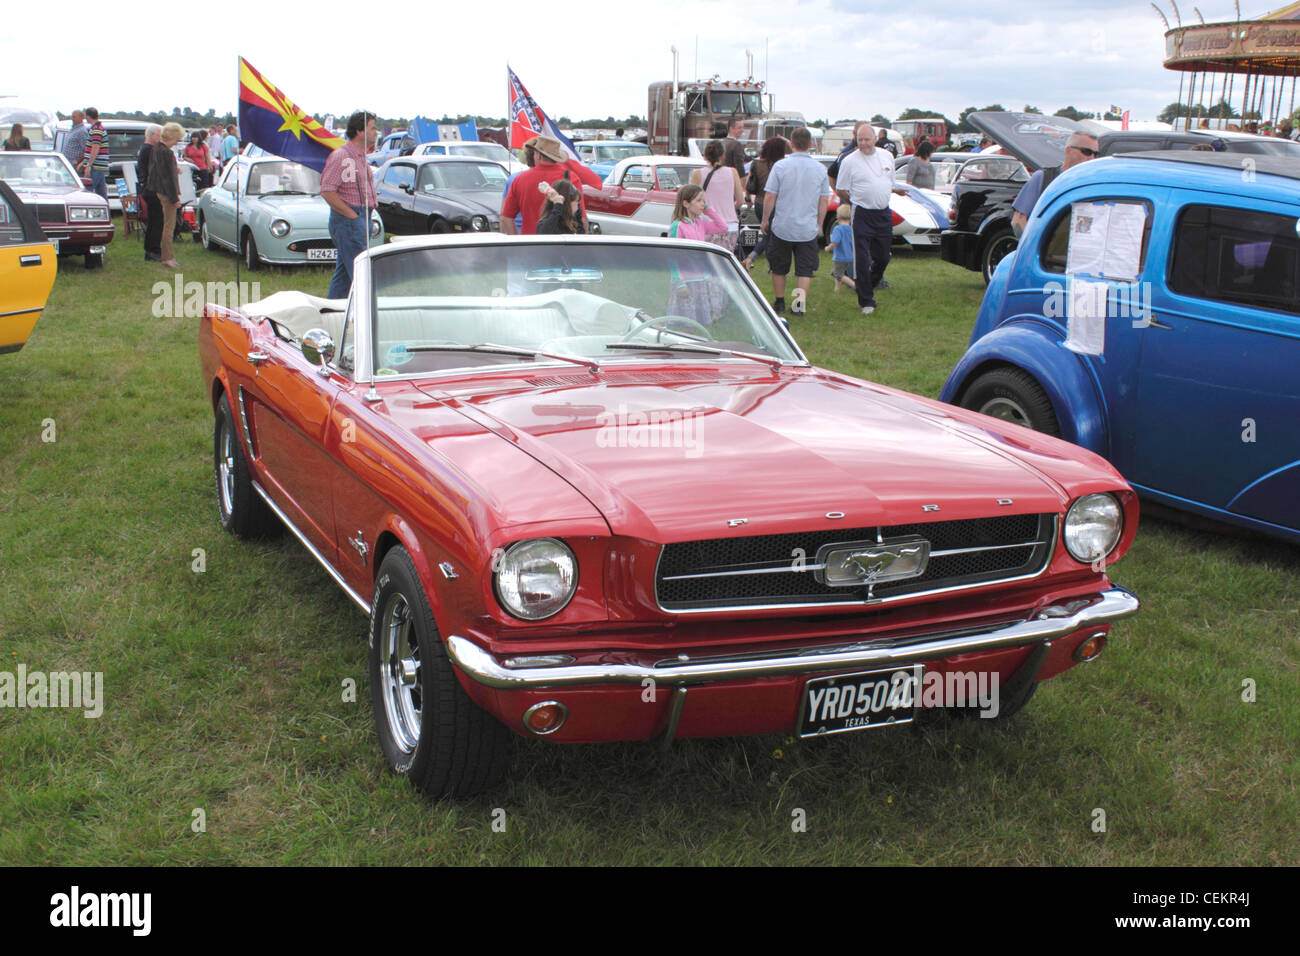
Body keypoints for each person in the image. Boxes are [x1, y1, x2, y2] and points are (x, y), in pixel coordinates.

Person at [834, 120, 908, 315]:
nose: (864, 143)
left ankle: (868, 283)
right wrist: (854, 201)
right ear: (855, 140)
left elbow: (887, 182)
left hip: (883, 212)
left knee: (883, 256)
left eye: (867, 139)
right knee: (862, 257)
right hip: (861, 213)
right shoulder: (849, 160)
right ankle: (866, 301)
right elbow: (840, 189)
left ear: (875, 139)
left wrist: (896, 190)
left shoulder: (887, 156)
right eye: (860, 140)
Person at [761, 126, 831, 316]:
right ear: (810, 144)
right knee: (805, 270)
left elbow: (770, 195)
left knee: (778, 267)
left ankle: (780, 301)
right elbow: (824, 199)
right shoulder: (819, 169)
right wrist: (820, 223)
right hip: (807, 228)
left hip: (783, 225)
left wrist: (765, 219)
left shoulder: (781, 166)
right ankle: (799, 304)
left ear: (791, 144)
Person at [320, 111, 379, 299]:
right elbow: (327, 190)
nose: (375, 132)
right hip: (350, 221)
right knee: (362, 275)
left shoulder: (360, 156)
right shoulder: (343, 157)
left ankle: (333, 311)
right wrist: (352, 215)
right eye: (372, 128)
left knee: (344, 277)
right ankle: (367, 317)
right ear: (360, 131)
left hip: (361, 218)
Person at [499, 135, 602, 236]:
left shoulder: (519, 180)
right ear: (557, 157)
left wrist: (519, 244)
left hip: (530, 247)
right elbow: (582, 218)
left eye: (534, 153)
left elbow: (506, 218)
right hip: (562, 246)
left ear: (538, 155)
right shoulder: (571, 178)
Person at [1010, 131, 1098, 236]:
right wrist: (1032, 247)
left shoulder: (1092, 185)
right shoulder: (1043, 178)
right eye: (1086, 152)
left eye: (1095, 154)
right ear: (1068, 150)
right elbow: (1018, 220)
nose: (1091, 157)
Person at [666, 183, 728, 325]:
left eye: (704, 200)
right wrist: (678, 282)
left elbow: (722, 227)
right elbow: (671, 254)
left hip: (700, 280)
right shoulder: (678, 226)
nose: (703, 204)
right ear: (686, 203)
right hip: (686, 282)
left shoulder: (700, 224)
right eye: (699, 200)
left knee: (700, 322)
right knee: (687, 323)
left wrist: (707, 209)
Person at [742, 136, 790, 269]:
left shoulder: (755, 163)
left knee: (768, 234)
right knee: (771, 236)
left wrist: (748, 199)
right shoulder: (780, 165)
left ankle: (770, 264)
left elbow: (749, 182)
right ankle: (750, 258)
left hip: (758, 202)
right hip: (774, 203)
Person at [690, 140, 744, 253]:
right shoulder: (733, 172)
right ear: (723, 155)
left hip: (707, 224)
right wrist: (729, 208)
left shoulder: (698, 174)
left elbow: (691, 200)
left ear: (705, 155)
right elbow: (740, 200)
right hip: (730, 225)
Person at [148, 123, 184, 268]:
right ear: (171, 137)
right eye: (176, 139)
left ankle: (166, 256)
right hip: (167, 193)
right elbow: (168, 178)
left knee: (165, 225)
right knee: (169, 226)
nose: (177, 143)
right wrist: (175, 198)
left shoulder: (156, 149)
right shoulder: (167, 153)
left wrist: (175, 170)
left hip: (158, 190)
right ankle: (167, 257)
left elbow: (160, 171)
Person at [137, 124, 163, 262]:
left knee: (153, 221)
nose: (160, 138)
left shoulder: (144, 149)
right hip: (152, 189)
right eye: (159, 135)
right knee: (157, 221)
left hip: (148, 188)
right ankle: (154, 250)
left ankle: (151, 250)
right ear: (151, 135)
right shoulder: (149, 150)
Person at [824, 203, 856, 292]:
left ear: (838, 217)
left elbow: (835, 242)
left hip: (840, 257)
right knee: (839, 273)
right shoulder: (851, 229)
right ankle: (837, 289)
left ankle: (856, 286)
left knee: (837, 274)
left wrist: (828, 247)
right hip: (849, 256)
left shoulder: (838, 229)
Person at [80, 107, 109, 199]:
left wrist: (88, 165)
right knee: (101, 193)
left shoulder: (96, 129)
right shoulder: (98, 128)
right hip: (98, 166)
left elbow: (95, 148)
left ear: (88, 116)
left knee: (88, 191)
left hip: (95, 166)